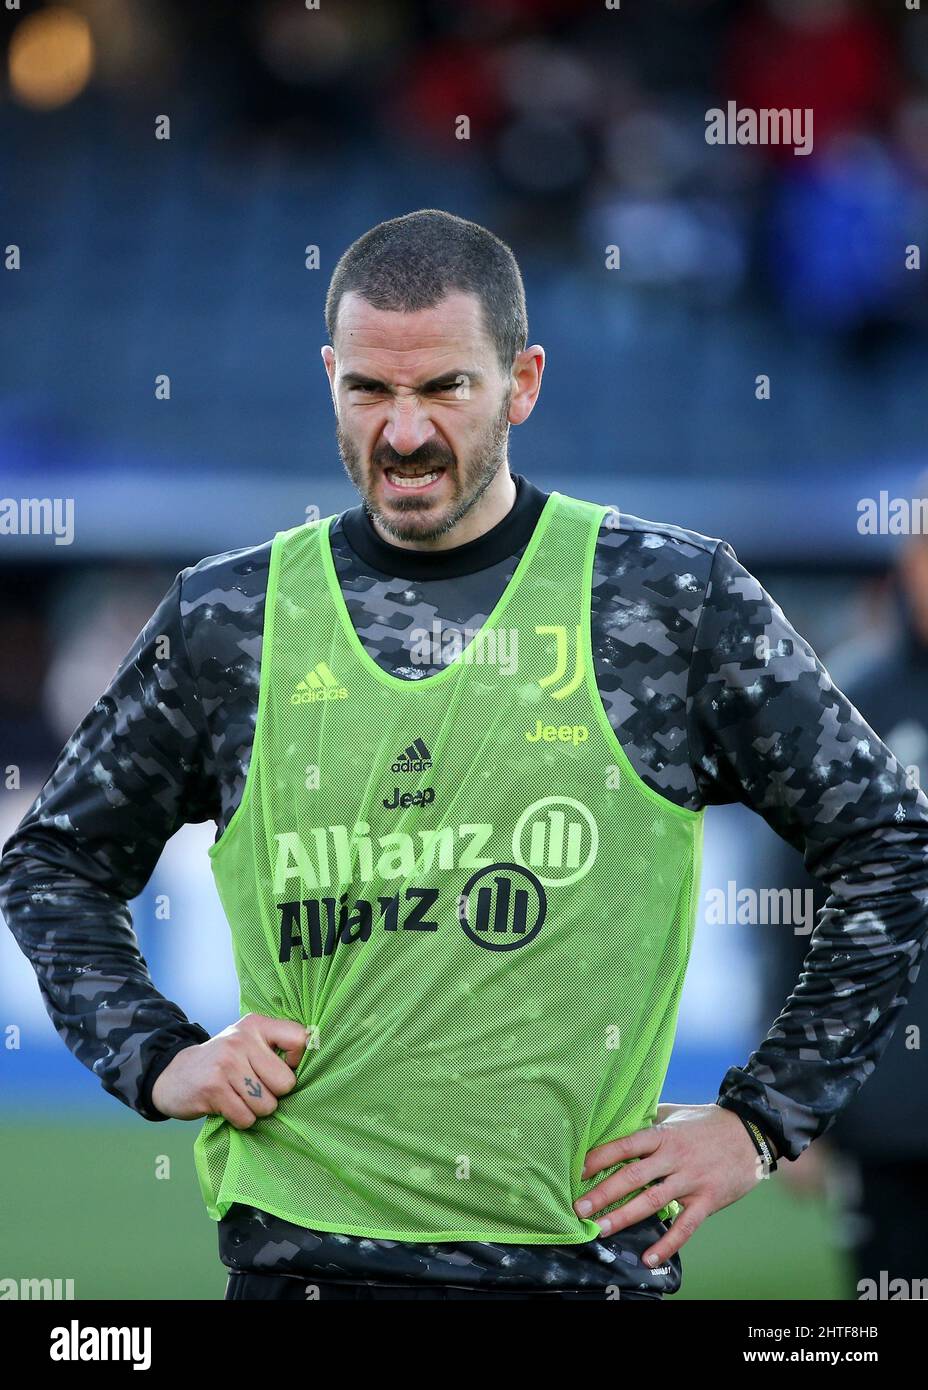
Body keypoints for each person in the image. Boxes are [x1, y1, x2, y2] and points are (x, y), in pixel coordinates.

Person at [2, 209, 927, 1303]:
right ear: (328, 379)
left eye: (444, 388)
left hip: (578, 1265)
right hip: (300, 1266)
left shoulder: (669, 597)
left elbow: (886, 837)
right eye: (369, 391)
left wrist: (763, 1117)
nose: (402, 433)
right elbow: (54, 862)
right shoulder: (228, 618)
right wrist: (158, 1057)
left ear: (522, 382)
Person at [760, 523, 928, 1296]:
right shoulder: (846, 706)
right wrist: (789, 1098)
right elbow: (787, 909)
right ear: (906, 560)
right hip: (888, 1101)